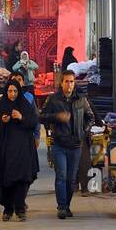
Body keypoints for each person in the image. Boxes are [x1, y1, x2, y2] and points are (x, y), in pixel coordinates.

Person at [41, 70, 95, 219]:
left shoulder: (81, 100)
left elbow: (90, 117)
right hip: (59, 144)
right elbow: (41, 116)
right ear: (62, 83)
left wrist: (84, 132)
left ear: (74, 83)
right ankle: (62, 207)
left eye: (72, 81)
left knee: (71, 179)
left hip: (76, 145)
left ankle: (67, 205)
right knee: (61, 176)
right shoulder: (53, 99)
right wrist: (56, 117)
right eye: (66, 81)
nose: (69, 84)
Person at [0, 79, 39, 222]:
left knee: (21, 179)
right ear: (6, 91)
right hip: (4, 150)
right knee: (6, 179)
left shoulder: (24, 105)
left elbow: (33, 122)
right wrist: (1, 121)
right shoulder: (0, 105)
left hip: (22, 150)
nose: (12, 94)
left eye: (15, 91)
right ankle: (8, 209)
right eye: (10, 91)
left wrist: (21, 117)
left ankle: (20, 209)